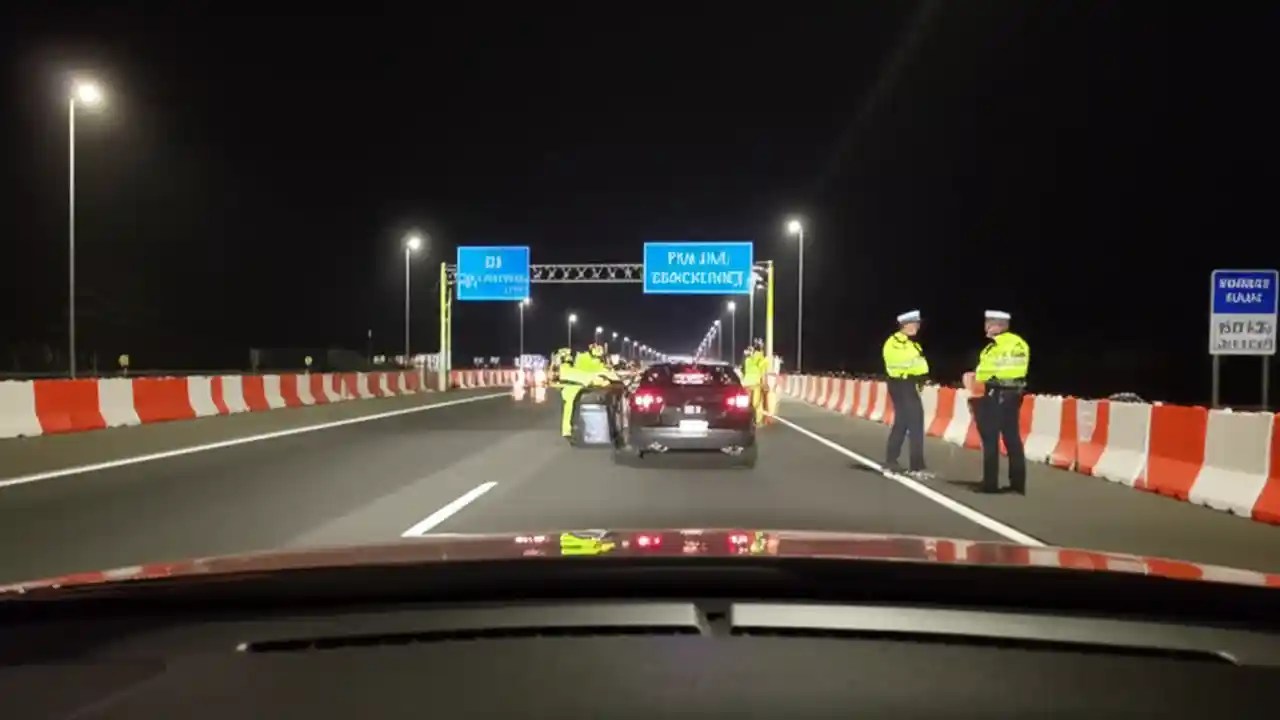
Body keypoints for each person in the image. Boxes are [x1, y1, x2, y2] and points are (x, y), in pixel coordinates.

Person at [972, 310, 1030, 494]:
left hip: (997, 393)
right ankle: (1017, 484)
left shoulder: (996, 347)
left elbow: (985, 372)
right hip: (1015, 394)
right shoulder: (1020, 343)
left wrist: (974, 377)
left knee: (990, 439)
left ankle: (990, 484)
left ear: (998, 325)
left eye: (988, 324)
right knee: (1012, 438)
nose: (986, 328)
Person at [882, 310, 931, 477]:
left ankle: (890, 461)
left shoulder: (911, 344)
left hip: (909, 384)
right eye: (915, 323)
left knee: (902, 423)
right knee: (915, 423)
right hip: (901, 384)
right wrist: (916, 373)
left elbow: (920, 364)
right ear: (906, 325)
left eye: (918, 323)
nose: (917, 326)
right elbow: (901, 364)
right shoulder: (895, 342)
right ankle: (917, 466)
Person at [559, 343, 616, 441]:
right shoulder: (581, 358)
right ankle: (567, 431)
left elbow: (603, 371)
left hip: (588, 382)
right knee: (569, 404)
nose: (599, 357)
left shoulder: (598, 361)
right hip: (577, 383)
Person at [740, 339, 770, 425]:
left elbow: (743, 370)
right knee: (755, 404)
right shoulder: (762, 358)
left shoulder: (747, 358)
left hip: (746, 383)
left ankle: (745, 419)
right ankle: (753, 420)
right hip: (755, 383)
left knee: (747, 403)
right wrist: (765, 383)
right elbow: (763, 372)